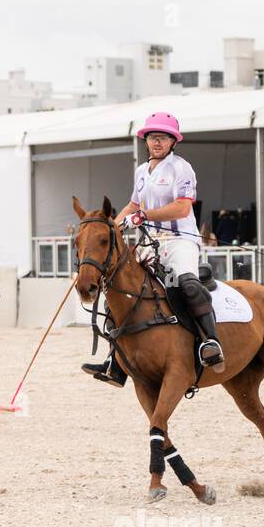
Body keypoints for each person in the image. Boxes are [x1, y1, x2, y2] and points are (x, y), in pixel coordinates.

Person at [82, 111, 222, 388]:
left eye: (163, 137)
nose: (157, 142)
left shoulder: (181, 168)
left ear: (173, 141)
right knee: (121, 288)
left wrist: (145, 215)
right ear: (145, 141)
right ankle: (115, 361)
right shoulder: (141, 172)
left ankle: (211, 342)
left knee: (187, 284)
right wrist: (113, 225)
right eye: (152, 137)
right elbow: (133, 206)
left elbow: (183, 206)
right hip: (151, 243)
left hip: (181, 240)